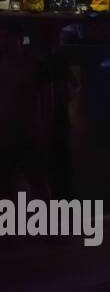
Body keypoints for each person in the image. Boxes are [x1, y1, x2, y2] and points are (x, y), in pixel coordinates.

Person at [0, 19, 44, 198]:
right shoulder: (27, 64)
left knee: (35, 180)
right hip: (13, 132)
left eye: (8, 37)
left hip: (26, 132)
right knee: (9, 181)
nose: (4, 41)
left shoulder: (30, 64)